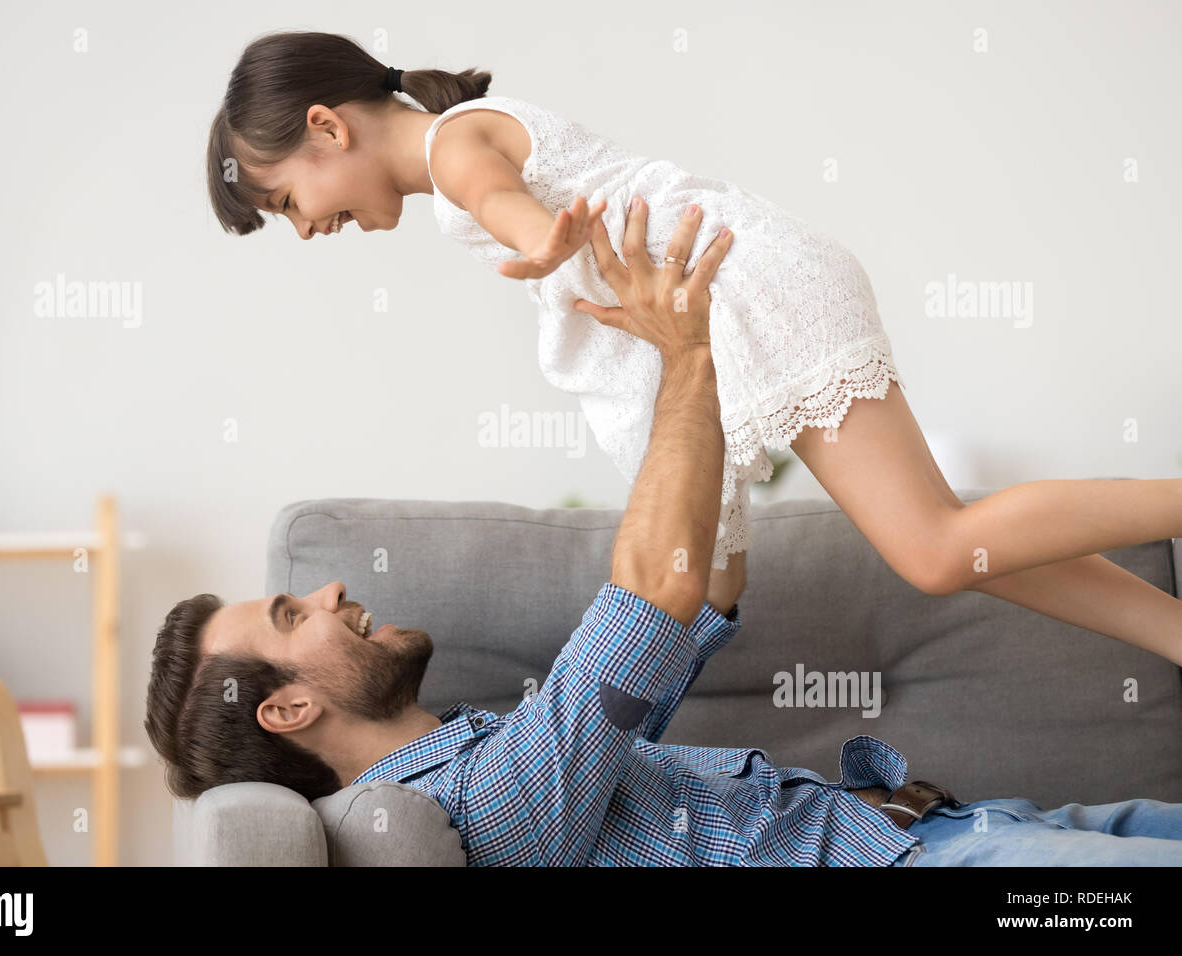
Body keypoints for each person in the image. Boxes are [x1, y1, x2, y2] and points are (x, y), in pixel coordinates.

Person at [147, 198, 1182, 866]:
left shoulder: (494, 743)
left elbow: (707, 587)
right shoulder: (479, 814)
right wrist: (684, 358)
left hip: (947, 820)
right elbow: (654, 595)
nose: (330, 592)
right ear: (285, 706)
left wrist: (701, 378)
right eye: (293, 612)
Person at [204, 32, 1182, 665]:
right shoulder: (454, 163)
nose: (305, 227)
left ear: (326, 128)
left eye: (289, 200)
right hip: (733, 306)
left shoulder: (457, 149)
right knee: (946, 543)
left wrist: (541, 243)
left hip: (751, 291)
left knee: (927, 545)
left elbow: (500, 200)